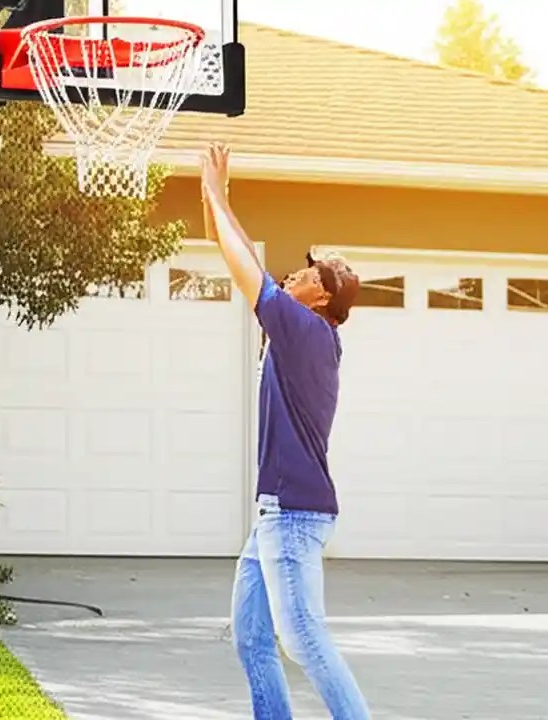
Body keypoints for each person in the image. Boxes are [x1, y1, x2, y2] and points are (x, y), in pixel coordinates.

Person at [198, 142, 369, 719]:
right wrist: (214, 195)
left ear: (321, 295)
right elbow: (238, 253)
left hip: (292, 516)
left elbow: (245, 268)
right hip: (275, 515)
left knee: (303, 640)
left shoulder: (304, 331)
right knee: (251, 639)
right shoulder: (308, 332)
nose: (292, 274)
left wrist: (219, 197)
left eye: (305, 272)